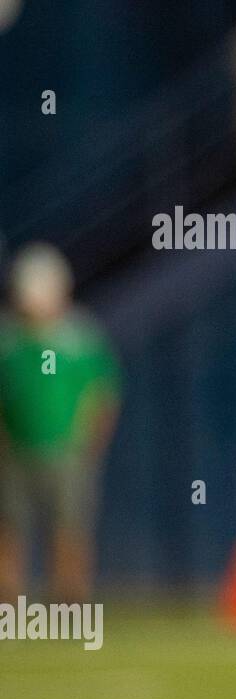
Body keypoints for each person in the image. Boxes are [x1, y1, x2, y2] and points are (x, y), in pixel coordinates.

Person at [0, 242, 120, 604]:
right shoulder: (7, 339)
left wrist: (90, 442)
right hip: (15, 450)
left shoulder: (79, 337)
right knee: (9, 525)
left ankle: (68, 599)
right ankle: (7, 599)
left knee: (70, 527)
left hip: (67, 449)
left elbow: (103, 393)